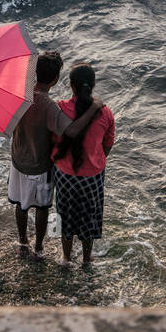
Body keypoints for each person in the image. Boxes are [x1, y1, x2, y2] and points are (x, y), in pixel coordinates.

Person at [8, 51, 102, 258]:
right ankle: (39, 247)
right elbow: (72, 131)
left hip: (17, 161)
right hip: (39, 166)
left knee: (20, 205)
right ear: (56, 79)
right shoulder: (49, 107)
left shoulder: (19, 95)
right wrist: (94, 107)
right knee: (42, 207)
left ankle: (23, 243)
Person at [51, 63, 115, 267]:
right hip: (92, 176)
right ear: (93, 86)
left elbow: (53, 138)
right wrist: (94, 161)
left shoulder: (60, 108)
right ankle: (87, 260)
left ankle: (66, 258)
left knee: (66, 214)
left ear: (71, 86)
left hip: (65, 174)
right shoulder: (106, 113)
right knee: (89, 216)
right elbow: (107, 145)